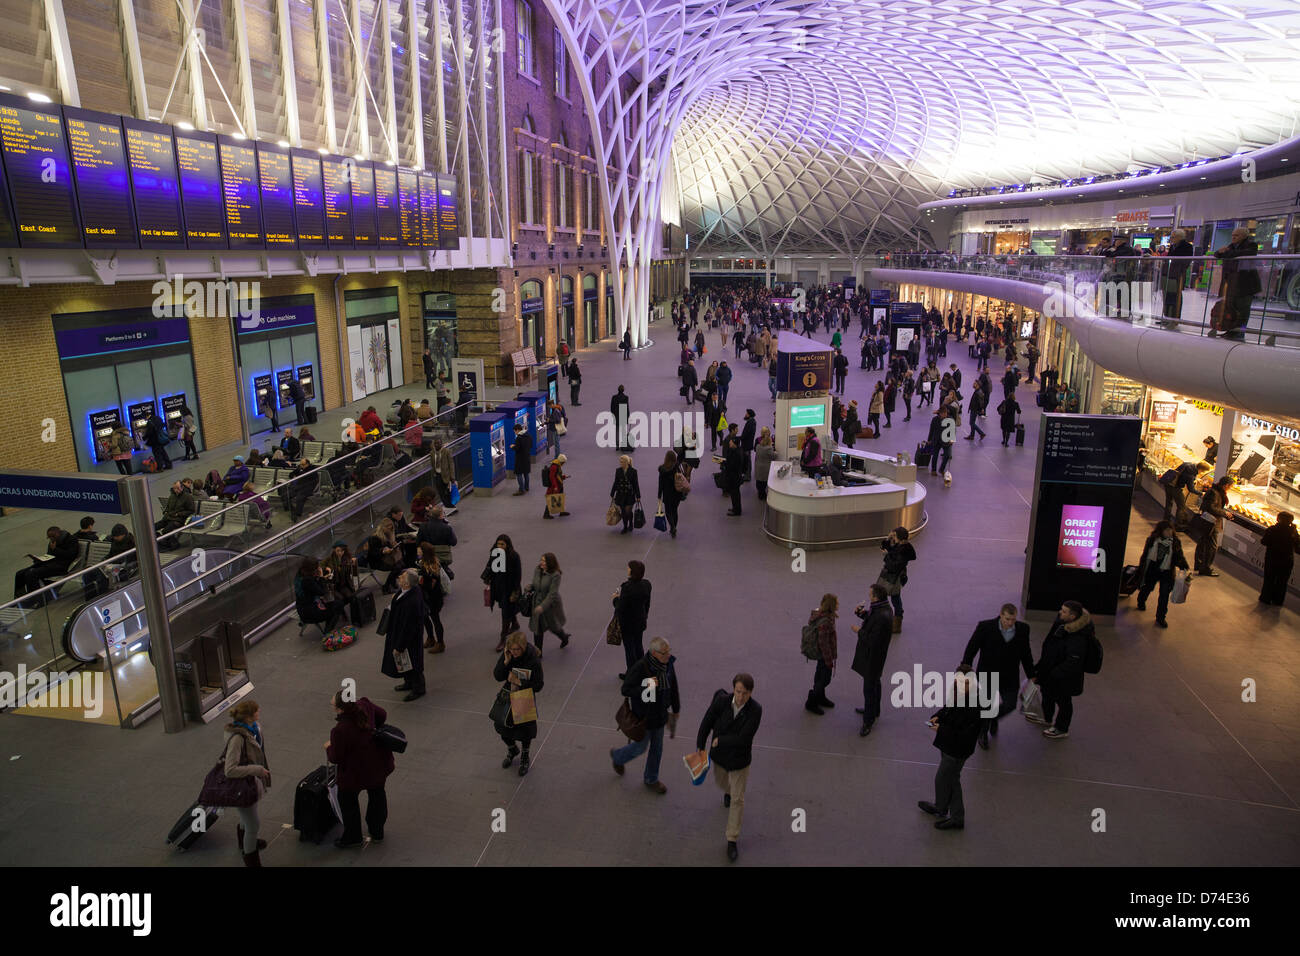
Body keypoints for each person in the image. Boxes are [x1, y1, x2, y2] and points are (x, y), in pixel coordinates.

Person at [694, 673, 762, 862]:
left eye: (745, 693)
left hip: (740, 760)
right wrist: (700, 746)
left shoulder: (756, 710)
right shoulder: (722, 701)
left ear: (751, 693)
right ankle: (728, 791)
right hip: (720, 759)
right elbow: (706, 722)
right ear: (733, 689)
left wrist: (719, 741)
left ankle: (732, 839)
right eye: (738, 692)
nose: (740, 697)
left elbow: (744, 738)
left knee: (738, 800)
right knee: (723, 783)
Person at [609, 637, 681, 795]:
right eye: (664, 653)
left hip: (660, 714)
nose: (668, 655)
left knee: (657, 749)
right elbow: (626, 689)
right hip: (644, 717)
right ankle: (618, 756)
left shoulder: (667, 665)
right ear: (654, 653)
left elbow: (673, 685)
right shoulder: (641, 667)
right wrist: (646, 687)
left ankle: (651, 778)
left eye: (669, 651)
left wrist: (676, 708)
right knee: (640, 747)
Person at [960, 604, 1034, 748]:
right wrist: (965, 667)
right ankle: (983, 731)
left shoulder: (1023, 629)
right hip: (988, 673)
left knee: (1010, 704)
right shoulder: (985, 627)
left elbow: (1026, 653)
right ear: (1001, 615)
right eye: (1007, 619)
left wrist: (1031, 674)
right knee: (986, 704)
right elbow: (972, 647)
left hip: (1010, 675)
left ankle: (991, 718)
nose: (1010, 623)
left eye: (1013, 619)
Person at [326, 689, 393, 848]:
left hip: (353, 773)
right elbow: (382, 714)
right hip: (377, 763)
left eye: (333, 703)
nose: (331, 704)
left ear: (340, 709)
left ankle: (353, 836)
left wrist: (328, 747)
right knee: (377, 796)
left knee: (348, 801)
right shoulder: (365, 704)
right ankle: (377, 832)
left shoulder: (339, 730)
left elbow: (335, 757)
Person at [918, 668, 983, 831]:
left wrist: (940, 729)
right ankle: (941, 807)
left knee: (947, 779)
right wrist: (938, 716)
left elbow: (965, 734)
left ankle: (956, 817)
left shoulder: (975, 705)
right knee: (948, 779)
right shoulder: (959, 693)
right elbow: (948, 709)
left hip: (957, 749)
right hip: (950, 745)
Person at [1029, 601, 1092, 739]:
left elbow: (1073, 661)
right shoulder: (1061, 623)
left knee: (1063, 701)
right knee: (1047, 693)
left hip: (1063, 677)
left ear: (1073, 616)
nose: (1060, 612)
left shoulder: (1078, 636)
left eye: (1064, 611)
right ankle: (1046, 717)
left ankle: (1061, 728)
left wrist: (1054, 673)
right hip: (1051, 670)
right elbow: (1051, 645)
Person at [222, 699, 271, 866]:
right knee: (253, 825)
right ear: (249, 717)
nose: (259, 712)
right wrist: (256, 769)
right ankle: (251, 860)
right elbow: (229, 770)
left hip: (250, 782)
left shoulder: (252, 729)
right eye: (256, 711)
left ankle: (244, 843)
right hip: (241, 784)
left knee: (248, 815)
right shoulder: (237, 738)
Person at [494, 631, 544, 775]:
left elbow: (539, 685)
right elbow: (497, 676)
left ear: (522, 647)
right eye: (512, 649)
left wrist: (519, 681)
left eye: (517, 649)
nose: (514, 652)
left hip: (524, 697)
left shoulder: (532, 659)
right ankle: (512, 749)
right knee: (501, 724)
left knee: (525, 731)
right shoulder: (508, 655)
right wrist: (505, 663)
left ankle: (525, 756)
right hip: (508, 695)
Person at [850, 584, 893, 736]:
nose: (868, 596)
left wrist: (858, 631)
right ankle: (874, 711)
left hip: (873, 657)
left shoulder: (882, 615)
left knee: (869, 688)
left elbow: (872, 639)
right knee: (875, 682)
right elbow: (872, 620)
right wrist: (862, 614)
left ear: (875, 596)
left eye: (870, 594)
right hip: (877, 657)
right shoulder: (882, 608)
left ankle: (868, 721)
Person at [382, 568, 427, 702]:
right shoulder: (410, 591)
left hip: (408, 639)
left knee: (413, 664)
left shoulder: (411, 602)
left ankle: (418, 688)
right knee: (405, 662)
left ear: (407, 584)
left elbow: (409, 627)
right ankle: (408, 682)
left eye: (402, 577)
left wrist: (400, 646)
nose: (399, 577)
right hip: (399, 632)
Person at [1135, 520, 1190, 628]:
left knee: (1164, 595)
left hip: (1167, 572)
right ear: (1161, 531)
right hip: (1153, 570)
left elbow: (1179, 556)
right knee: (1147, 588)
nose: (1169, 532)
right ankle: (1141, 600)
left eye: (1170, 530)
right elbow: (1145, 555)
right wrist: (1141, 569)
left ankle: (1161, 617)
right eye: (1166, 530)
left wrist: (1183, 565)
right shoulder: (1152, 540)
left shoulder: (1175, 542)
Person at [1212, 227, 1260, 340]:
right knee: (1231, 308)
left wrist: (1228, 253)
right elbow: (1217, 254)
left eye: (1236, 235)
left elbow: (1246, 253)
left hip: (1246, 284)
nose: (1233, 237)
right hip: (1232, 283)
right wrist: (1221, 252)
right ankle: (1231, 330)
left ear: (1244, 236)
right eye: (1233, 235)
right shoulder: (1231, 246)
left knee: (1243, 310)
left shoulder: (1251, 245)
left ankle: (1241, 331)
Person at [13, 526, 79, 604]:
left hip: (61, 567)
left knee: (31, 573)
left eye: (53, 537)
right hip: (49, 563)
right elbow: (49, 555)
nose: (51, 539)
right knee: (20, 573)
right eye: (49, 537)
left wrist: (56, 549)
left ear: (59, 533)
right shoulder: (53, 541)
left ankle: (35, 599)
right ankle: (20, 597)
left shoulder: (72, 540)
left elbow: (71, 555)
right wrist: (39, 559)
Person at [483, 534, 524, 651]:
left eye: (502, 544)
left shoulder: (514, 556)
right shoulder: (495, 554)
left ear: (507, 545)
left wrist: (515, 591)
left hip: (509, 589)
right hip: (498, 588)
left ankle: (503, 639)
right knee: (506, 608)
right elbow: (489, 566)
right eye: (498, 544)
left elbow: (518, 575)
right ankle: (515, 623)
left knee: (505, 613)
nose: (500, 546)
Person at [612, 560, 652, 678]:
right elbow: (647, 604)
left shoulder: (627, 588)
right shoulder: (647, 584)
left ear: (632, 571)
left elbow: (620, 607)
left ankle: (631, 674)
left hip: (628, 624)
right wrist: (645, 615)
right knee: (638, 645)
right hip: (640, 621)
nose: (627, 569)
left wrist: (615, 598)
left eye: (629, 568)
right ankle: (641, 670)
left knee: (629, 649)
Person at [528, 552, 571, 655]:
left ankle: (564, 637)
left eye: (544, 561)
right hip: (537, 603)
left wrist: (542, 607)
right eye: (541, 560)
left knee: (554, 627)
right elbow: (535, 584)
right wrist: (530, 587)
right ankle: (538, 653)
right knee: (537, 629)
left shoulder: (555, 575)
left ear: (550, 563)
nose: (541, 563)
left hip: (550, 606)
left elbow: (552, 594)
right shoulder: (537, 570)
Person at [804, 593, 839, 715]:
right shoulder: (826, 622)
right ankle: (812, 702)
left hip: (819, 654)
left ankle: (821, 697)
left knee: (819, 675)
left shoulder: (821, 616)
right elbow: (824, 643)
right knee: (824, 679)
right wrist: (829, 660)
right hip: (824, 655)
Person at [1193, 476, 1235, 576]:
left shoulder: (1215, 491)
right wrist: (1225, 513)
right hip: (1211, 522)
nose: (1230, 489)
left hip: (1209, 521)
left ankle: (1199, 565)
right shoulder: (1214, 493)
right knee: (1212, 546)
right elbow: (1210, 507)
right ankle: (1206, 568)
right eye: (1230, 487)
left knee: (1203, 543)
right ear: (1226, 485)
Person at [878, 527, 916, 632]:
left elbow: (894, 566)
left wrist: (886, 556)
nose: (893, 537)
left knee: (895, 598)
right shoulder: (899, 545)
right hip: (892, 576)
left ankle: (896, 623)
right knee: (894, 598)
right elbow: (884, 547)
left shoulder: (904, 550)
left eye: (894, 536)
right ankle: (894, 621)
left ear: (900, 537)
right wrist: (888, 538)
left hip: (896, 577)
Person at [1259, 512, 1299, 606]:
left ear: (1278, 519)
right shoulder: (1292, 532)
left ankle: (1266, 598)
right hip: (1287, 560)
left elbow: (1264, 542)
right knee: (1282, 581)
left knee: (1269, 579)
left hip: (1272, 558)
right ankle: (1278, 601)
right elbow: (1297, 545)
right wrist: (1295, 531)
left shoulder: (1272, 529)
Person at [295, 557, 344, 633]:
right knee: (338, 604)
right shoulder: (307, 581)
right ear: (312, 569)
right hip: (309, 612)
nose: (318, 568)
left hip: (304, 606)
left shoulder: (300, 574)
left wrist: (321, 574)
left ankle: (329, 625)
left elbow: (314, 588)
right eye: (317, 567)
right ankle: (328, 632)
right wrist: (321, 577)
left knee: (333, 602)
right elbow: (321, 592)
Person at [416, 543, 447, 653]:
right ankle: (430, 638)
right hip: (425, 597)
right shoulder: (424, 563)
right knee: (425, 618)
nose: (417, 552)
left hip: (433, 598)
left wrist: (419, 580)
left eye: (419, 551)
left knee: (435, 619)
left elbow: (430, 585)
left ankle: (440, 643)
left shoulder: (432, 567)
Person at [609, 454, 642, 533]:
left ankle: (630, 522)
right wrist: (612, 493)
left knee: (628, 511)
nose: (621, 463)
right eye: (620, 462)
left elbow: (635, 484)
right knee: (623, 512)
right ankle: (625, 526)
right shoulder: (618, 470)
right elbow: (616, 482)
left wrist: (638, 496)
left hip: (629, 495)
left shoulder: (633, 471)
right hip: (620, 495)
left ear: (627, 462)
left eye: (622, 462)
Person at [722, 435, 745, 517]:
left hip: (734, 478)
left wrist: (723, 462)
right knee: (734, 494)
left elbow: (732, 465)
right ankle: (735, 508)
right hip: (735, 476)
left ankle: (737, 511)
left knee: (735, 494)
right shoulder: (736, 450)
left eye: (731, 443)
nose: (729, 444)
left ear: (734, 444)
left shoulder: (736, 454)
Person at [540, 454, 570, 518]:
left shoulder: (557, 464)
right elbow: (552, 477)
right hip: (554, 486)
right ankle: (546, 514)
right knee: (551, 498)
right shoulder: (554, 466)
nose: (564, 464)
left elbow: (557, 475)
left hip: (559, 485)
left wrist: (564, 477)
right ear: (561, 461)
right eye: (563, 462)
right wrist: (555, 486)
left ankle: (561, 511)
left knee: (560, 497)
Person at [753, 429, 775, 500]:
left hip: (758, 465)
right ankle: (763, 495)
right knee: (764, 482)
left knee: (759, 480)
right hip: (765, 467)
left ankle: (760, 494)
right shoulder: (769, 449)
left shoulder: (758, 446)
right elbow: (773, 456)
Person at [511, 424, 532, 495]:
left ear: (517, 430)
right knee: (526, 473)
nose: (515, 433)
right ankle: (527, 487)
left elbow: (517, 449)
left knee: (519, 473)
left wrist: (513, 446)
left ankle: (521, 490)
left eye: (515, 431)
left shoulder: (519, 438)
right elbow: (531, 445)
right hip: (527, 457)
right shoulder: (528, 435)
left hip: (520, 459)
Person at [610, 385, 631, 451]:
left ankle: (617, 445)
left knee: (617, 430)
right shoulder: (626, 397)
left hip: (616, 415)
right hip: (623, 415)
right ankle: (623, 444)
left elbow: (612, 407)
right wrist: (628, 416)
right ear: (623, 390)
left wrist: (614, 414)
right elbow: (627, 408)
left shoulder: (614, 397)